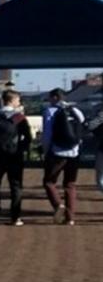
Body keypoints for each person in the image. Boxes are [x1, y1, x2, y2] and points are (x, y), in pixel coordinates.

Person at [0, 89, 33, 226]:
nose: (19, 102)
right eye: (18, 100)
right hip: (14, 155)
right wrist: (19, 149)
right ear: (12, 100)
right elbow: (28, 137)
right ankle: (15, 217)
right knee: (15, 186)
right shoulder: (18, 117)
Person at [40, 87, 86, 226]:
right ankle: (70, 218)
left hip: (57, 151)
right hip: (74, 151)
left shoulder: (50, 111)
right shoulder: (76, 110)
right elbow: (82, 126)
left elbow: (47, 134)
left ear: (55, 97)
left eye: (49, 97)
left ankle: (58, 205)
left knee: (49, 182)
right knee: (70, 184)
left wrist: (46, 150)